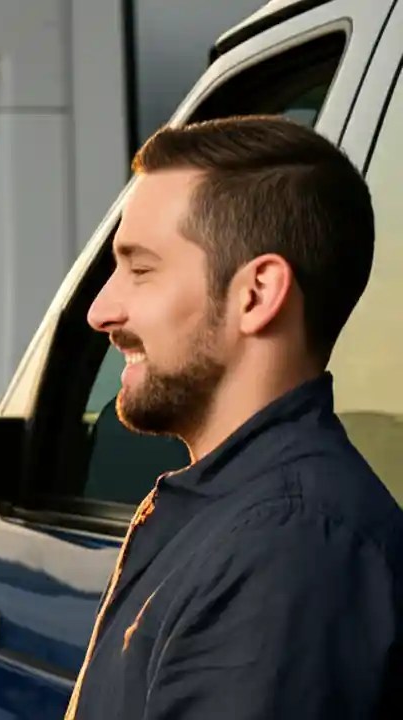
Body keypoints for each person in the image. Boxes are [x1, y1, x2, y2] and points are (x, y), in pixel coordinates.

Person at [64, 114, 403, 719]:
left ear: (257, 294)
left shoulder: (289, 546)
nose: (100, 310)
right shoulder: (237, 513)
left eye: (140, 269)